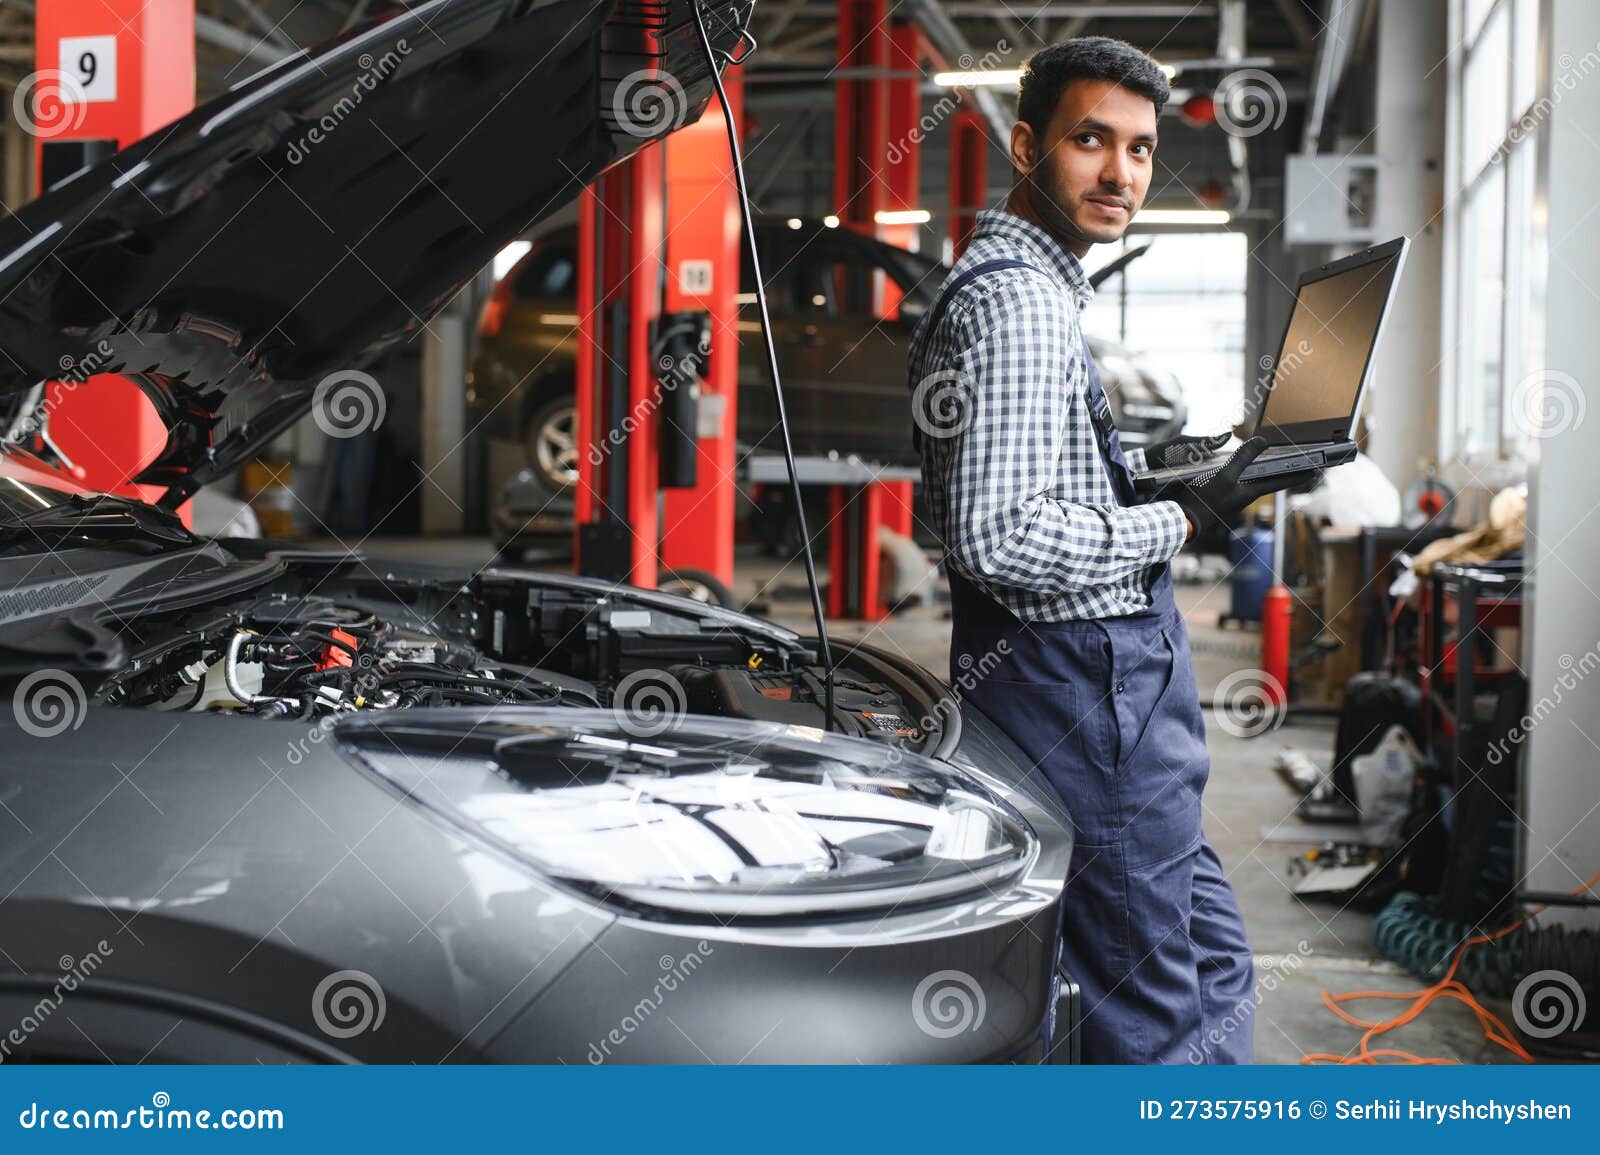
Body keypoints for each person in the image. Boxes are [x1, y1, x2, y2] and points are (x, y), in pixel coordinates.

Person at [907, 37, 1282, 1064]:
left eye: (1142, 149)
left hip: (1087, 685)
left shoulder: (1012, 285)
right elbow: (997, 533)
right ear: (1027, 143)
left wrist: (1140, 471)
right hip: (1085, 685)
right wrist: (1188, 517)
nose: (1121, 174)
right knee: (1147, 1003)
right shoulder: (1023, 306)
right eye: (1090, 140)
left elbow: (1019, 485)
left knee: (1204, 960)